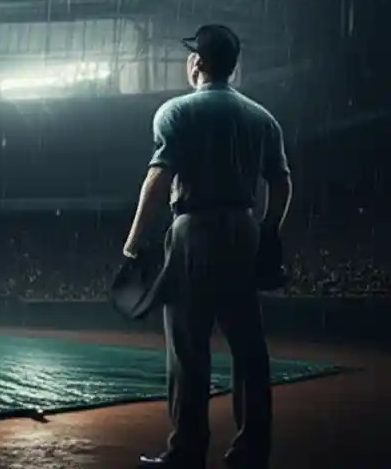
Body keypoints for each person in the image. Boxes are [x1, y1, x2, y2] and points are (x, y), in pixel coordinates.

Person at [121, 25, 292, 469]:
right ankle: (252, 450)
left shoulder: (176, 111)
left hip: (193, 227)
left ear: (196, 63)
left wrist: (134, 243)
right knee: (249, 348)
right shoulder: (262, 117)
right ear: (233, 66)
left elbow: (159, 178)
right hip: (243, 226)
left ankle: (188, 451)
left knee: (188, 347)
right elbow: (281, 182)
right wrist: (269, 231)